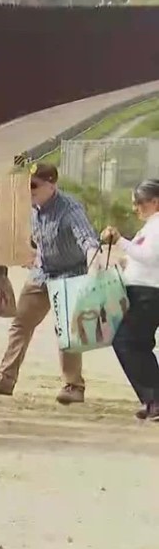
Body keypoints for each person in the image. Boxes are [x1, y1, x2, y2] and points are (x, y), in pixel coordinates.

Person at [0, 162, 99, 405]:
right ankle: (5, 378)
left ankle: (73, 385)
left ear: (51, 185)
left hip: (70, 273)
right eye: (25, 186)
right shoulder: (29, 207)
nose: (29, 191)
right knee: (21, 323)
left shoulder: (70, 209)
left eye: (34, 186)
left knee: (66, 330)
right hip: (42, 273)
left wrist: (93, 270)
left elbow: (88, 240)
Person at [103, 179, 159, 422]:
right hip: (141, 291)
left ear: (154, 201)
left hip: (148, 293)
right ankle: (152, 398)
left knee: (128, 342)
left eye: (139, 202)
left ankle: (154, 398)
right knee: (136, 344)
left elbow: (150, 256)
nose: (135, 208)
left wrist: (120, 241)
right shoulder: (150, 226)